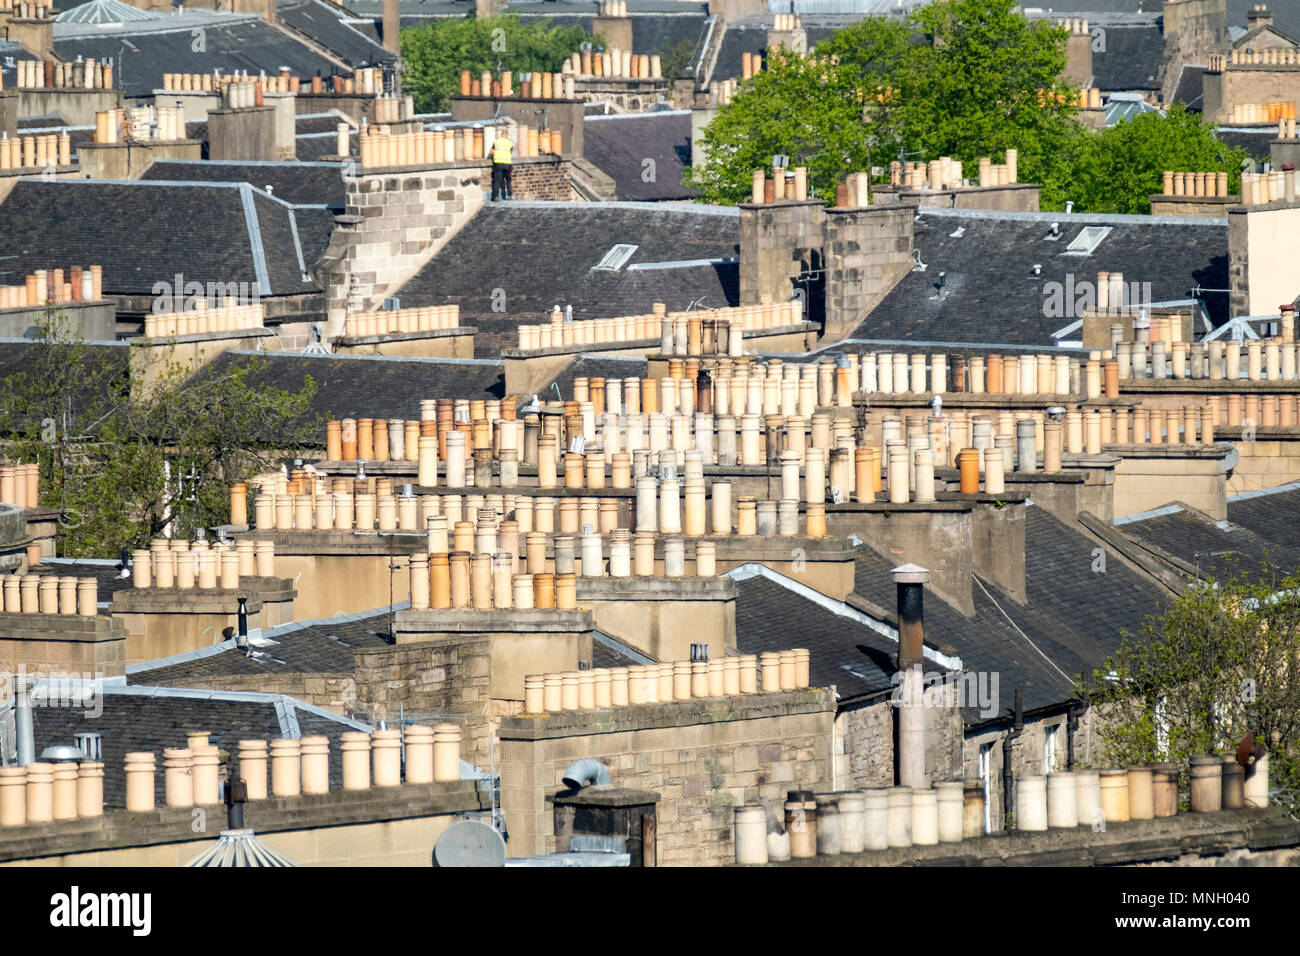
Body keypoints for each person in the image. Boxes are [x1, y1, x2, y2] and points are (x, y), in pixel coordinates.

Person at [491, 132, 513, 201]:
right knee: (508, 180)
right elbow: (511, 152)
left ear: (501, 135)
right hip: (507, 163)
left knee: (497, 180)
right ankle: (509, 196)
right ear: (506, 135)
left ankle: (496, 196)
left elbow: (491, 152)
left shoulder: (496, 142)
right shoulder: (510, 143)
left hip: (498, 163)